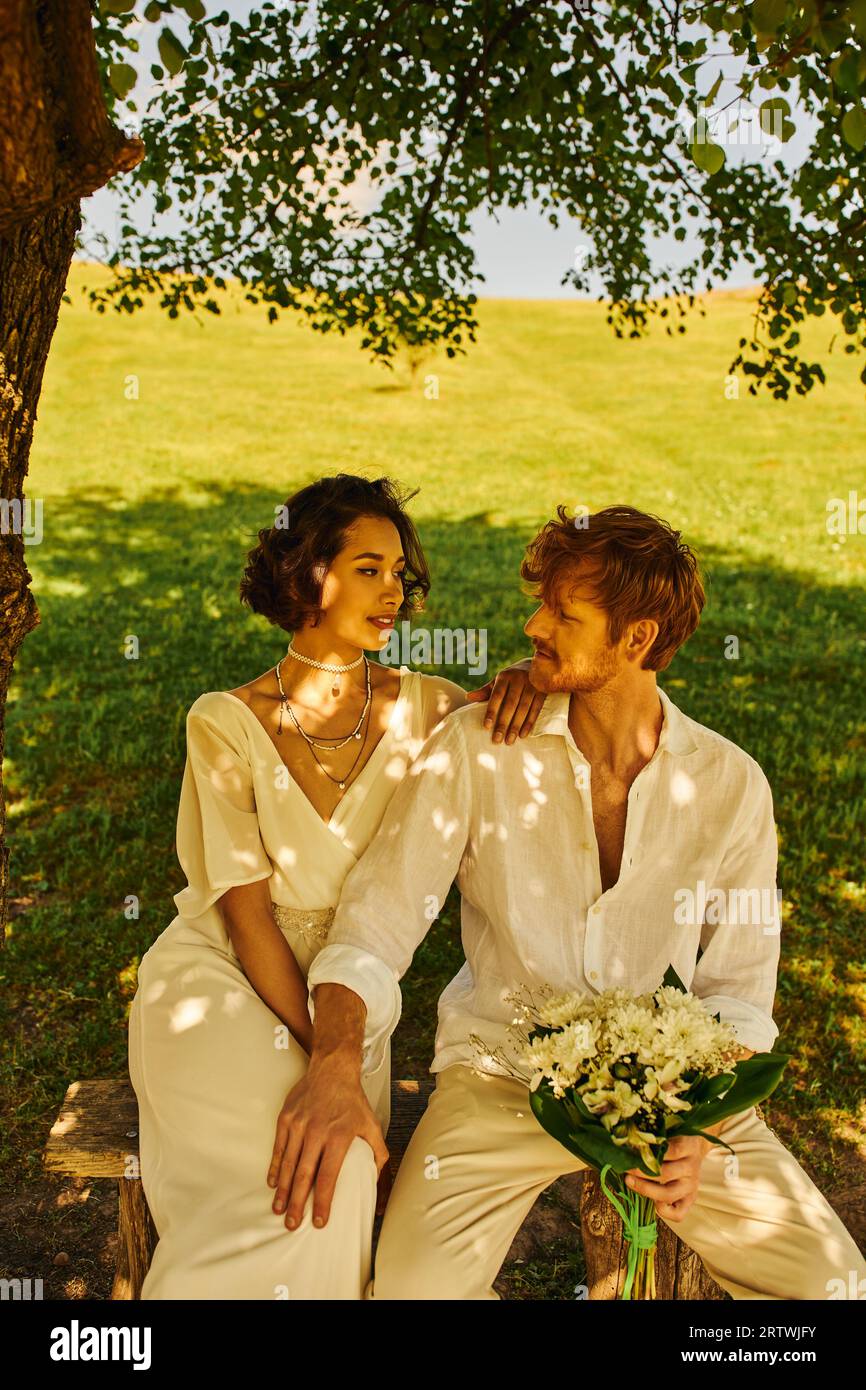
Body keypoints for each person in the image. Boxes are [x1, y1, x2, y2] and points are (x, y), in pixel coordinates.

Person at [280, 503, 866, 1301]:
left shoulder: (731, 787)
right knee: (410, 1295)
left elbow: (739, 992)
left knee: (834, 1286)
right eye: (543, 603)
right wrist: (336, 1058)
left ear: (636, 640)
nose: (533, 623)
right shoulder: (478, 749)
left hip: (673, 1101)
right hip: (499, 1081)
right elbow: (376, 924)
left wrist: (697, 1123)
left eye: (564, 613)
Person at [127, 473, 544, 1300]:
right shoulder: (225, 721)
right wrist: (331, 1061)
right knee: (289, 1181)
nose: (394, 592)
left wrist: (525, 676)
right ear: (307, 573)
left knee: (339, 1172)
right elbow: (245, 919)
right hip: (228, 981)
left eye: (399, 573)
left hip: (347, 1001)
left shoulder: (428, 709)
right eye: (367, 568)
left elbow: (512, 713)